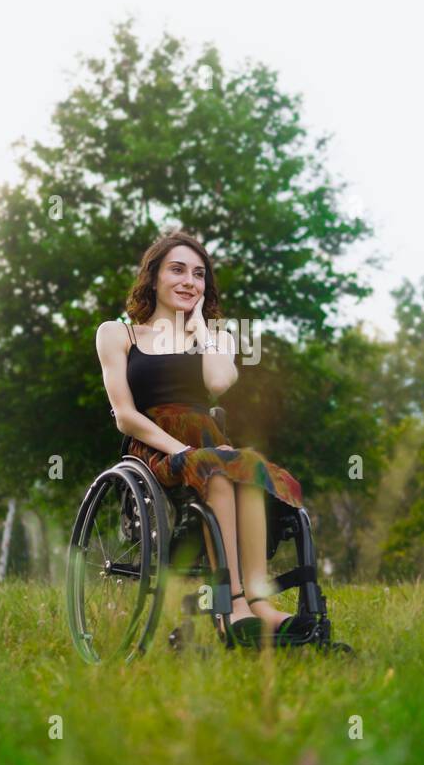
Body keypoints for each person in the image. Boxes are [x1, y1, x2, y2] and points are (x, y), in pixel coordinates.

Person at [94, 230, 316, 648]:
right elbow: (125, 416)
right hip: (155, 448)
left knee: (246, 465)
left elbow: (218, 382)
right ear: (154, 276)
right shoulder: (118, 334)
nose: (188, 281)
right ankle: (231, 607)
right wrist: (183, 450)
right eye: (177, 270)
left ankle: (258, 602)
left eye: (198, 274)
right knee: (214, 465)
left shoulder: (216, 339)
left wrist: (200, 328)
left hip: (207, 440)